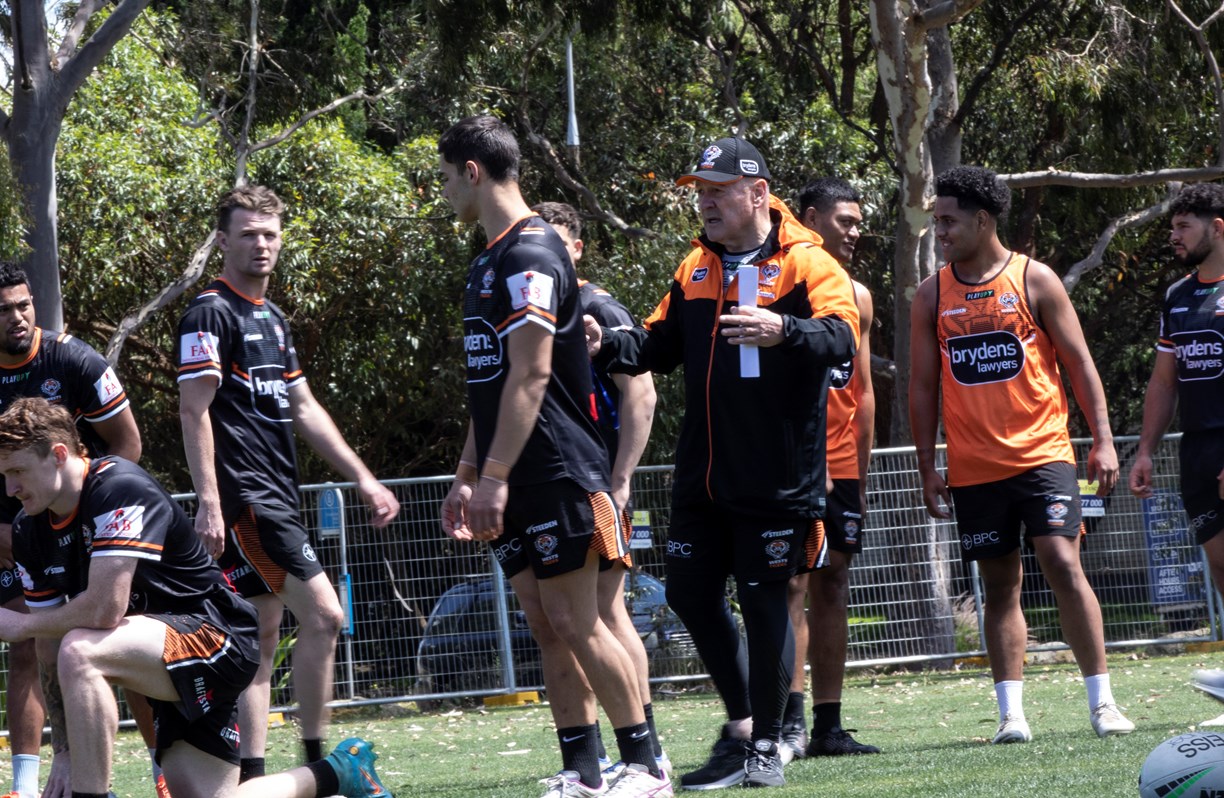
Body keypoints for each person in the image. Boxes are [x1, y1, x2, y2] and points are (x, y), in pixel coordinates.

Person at [586, 137, 859, 788]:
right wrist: (605, 344)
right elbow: (656, 344)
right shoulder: (696, 267)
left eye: (717, 190)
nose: (704, 202)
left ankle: (766, 745)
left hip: (776, 474)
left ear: (758, 194)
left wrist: (783, 331)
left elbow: (842, 334)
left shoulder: (807, 263)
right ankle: (744, 726)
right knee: (689, 593)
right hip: (703, 475)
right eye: (699, 191)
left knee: (766, 604)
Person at [436, 115, 671, 798]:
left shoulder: (533, 252)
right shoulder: (487, 259)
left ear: (473, 172)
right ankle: (586, 772)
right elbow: (491, 381)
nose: (445, 191)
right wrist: (467, 472)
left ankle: (645, 765)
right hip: (514, 470)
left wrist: (497, 477)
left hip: (557, 468)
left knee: (581, 618)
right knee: (551, 624)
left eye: (447, 178)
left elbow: (532, 376)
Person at [0, 397, 390, 798]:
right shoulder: (29, 531)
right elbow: (47, 652)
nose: (10, 489)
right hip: (163, 652)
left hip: (218, 637)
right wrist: (62, 752)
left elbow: (104, 608)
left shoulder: (118, 486)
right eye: (4, 475)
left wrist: (21, 625)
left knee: (80, 650)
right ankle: (338, 772)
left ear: (59, 455)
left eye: (18, 472)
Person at [177, 185, 401, 778]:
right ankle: (319, 768)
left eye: (270, 233)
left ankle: (251, 773)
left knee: (263, 631)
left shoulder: (272, 318)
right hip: (249, 499)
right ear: (223, 241)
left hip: (280, 493)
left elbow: (303, 406)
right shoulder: (210, 312)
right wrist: (209, 502)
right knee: (325, 615)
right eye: (248, 233)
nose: (261, 244)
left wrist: (362, 477)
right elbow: (193, 408)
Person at [909, 165, 1134, 743]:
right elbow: (922, 386)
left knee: (1061, 562)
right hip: (974, 469)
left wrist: (1103, 439)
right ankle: (1012, 714)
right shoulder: (932, 295)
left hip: (1043, 455)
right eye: (936, 222)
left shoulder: (1036, 280)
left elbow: (1080, 364)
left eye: (949, 221)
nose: (941, 231)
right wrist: (927, 464)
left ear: (983, 220)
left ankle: (1102, 702)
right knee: (999, 583)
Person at [0, 262, 169, 798]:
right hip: (15, 529)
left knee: (121, 641)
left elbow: (127, 444)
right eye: (3, 310)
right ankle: (31, 785)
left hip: (85, 527)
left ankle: (162, 771)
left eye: (24, 304)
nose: (18, 317)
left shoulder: (72, 358)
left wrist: (95, 517)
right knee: (32, 644)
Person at [531, 201, 666, 774]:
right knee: (573, 621)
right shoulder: (541, 305)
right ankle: (606, 758)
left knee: (607, 616)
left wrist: (622, 478)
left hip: (594, 483)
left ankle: (647, 751)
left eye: (560, 242)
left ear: (578, 249)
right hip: (561, 483)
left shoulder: (596, 305)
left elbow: (642, 394)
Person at [779, 178, 878, 760]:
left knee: (832, 585)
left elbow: (861, 390)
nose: (855, 230)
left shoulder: (858, 297)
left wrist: (858, 475)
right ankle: (786, 722)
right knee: (789, 584)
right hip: (791, 465)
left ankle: (828, 725)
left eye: (859, 221)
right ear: (810, 218)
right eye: (845, 219)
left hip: (840, 470)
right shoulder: (781, 284)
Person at [1126, 182, 1224, 715]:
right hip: (1198, 449)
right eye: (1173, 225)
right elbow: (1165, 382)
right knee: (1218, 563)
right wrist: (1144, 451)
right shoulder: (1177, 295)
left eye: (1184, 225)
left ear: (1218, 227)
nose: (1174, 235)